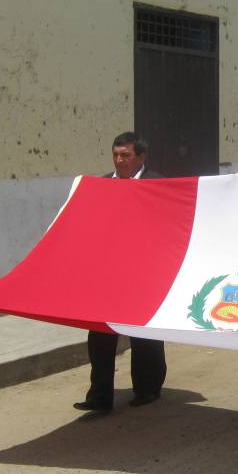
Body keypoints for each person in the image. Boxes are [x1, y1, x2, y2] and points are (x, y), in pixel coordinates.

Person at [73, 133, 167, 413]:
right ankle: (99, 396)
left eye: (125, 155)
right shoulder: (101, 185)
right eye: (115, 154)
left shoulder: (158, 185)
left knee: (144, 334)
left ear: (141, 157)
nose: (119, 160)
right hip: (108, 274)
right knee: (100, 334)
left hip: (143, 274)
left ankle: (148, 388)